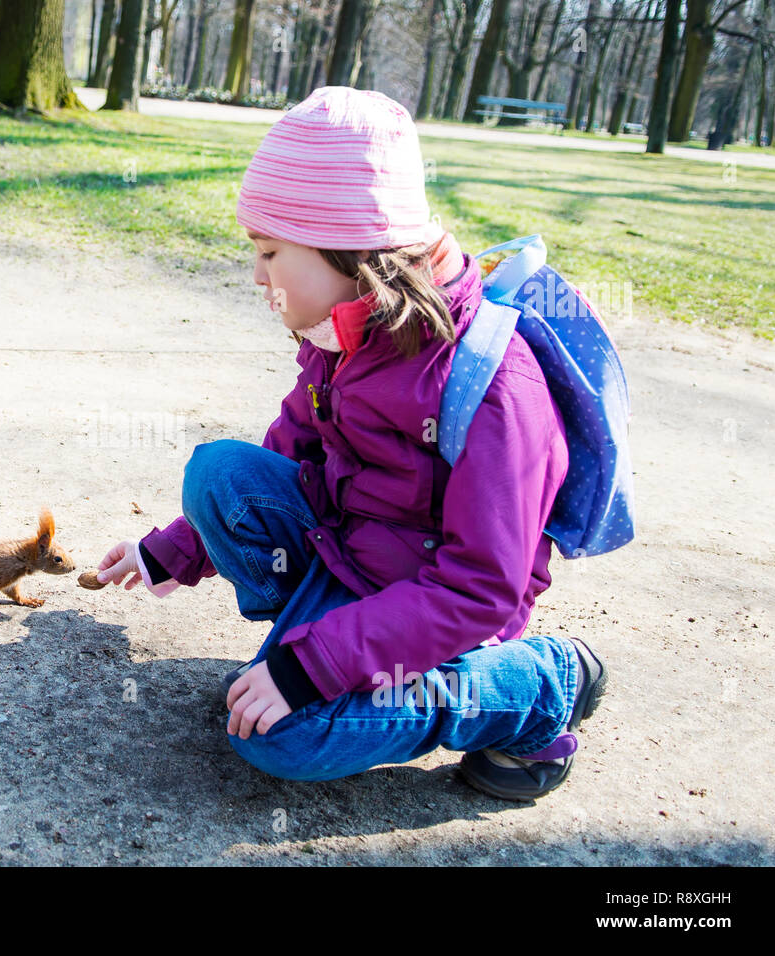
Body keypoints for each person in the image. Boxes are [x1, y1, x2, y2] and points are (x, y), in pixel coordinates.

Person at [95, 86, 606, 802]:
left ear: (351, 251)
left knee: (285, 739)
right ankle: (320, 652)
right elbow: (290, 450)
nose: (257, 276)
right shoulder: (347, 333)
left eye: (271, 252)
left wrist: (310, 669)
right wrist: (174, 550)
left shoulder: (492, 386)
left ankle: (539, 688)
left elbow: (480, 586)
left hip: (437, 605)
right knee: (220, 472)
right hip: (350, 557)